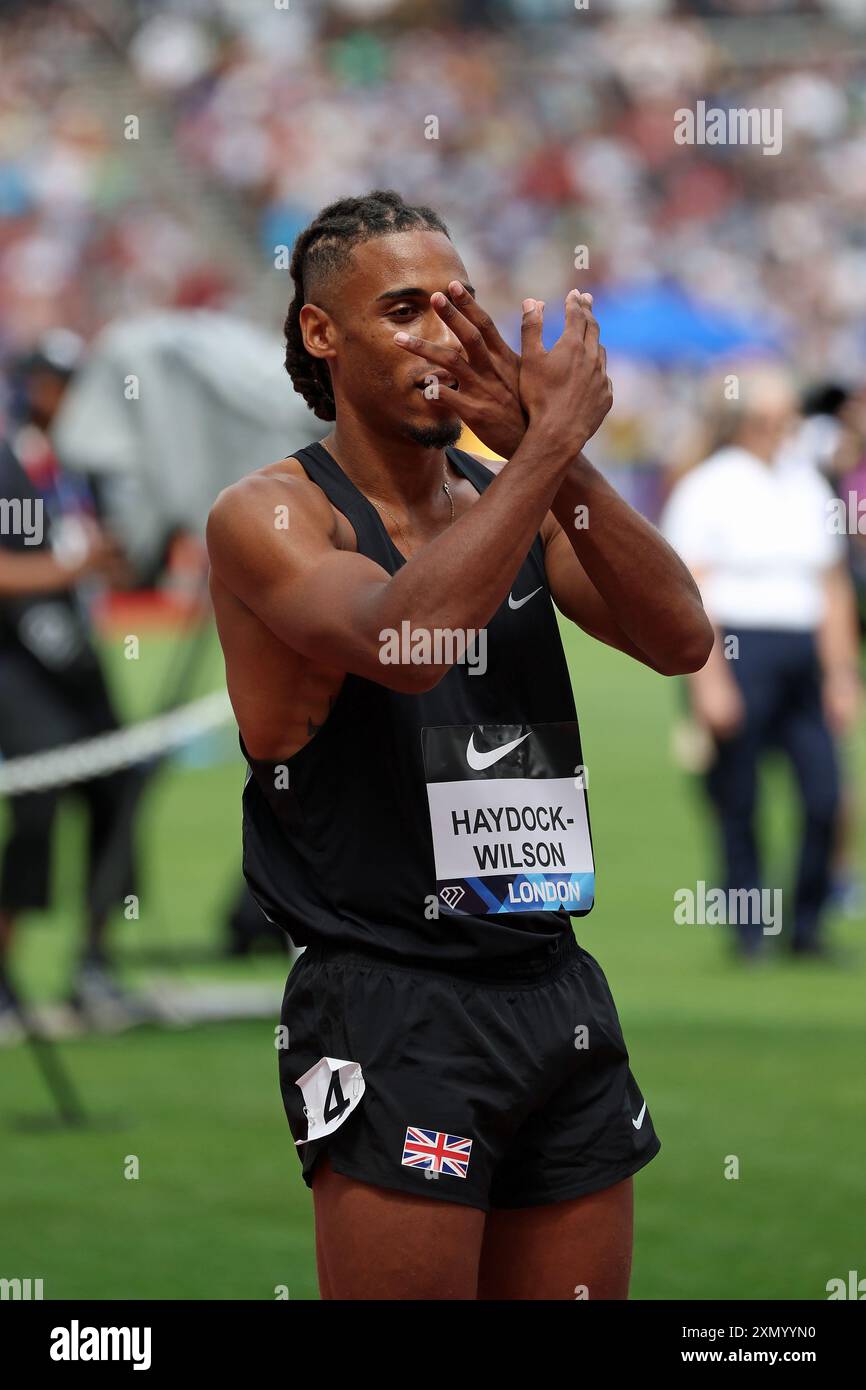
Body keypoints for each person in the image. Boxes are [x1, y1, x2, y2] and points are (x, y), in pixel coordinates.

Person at [206, 190, 712, 1301]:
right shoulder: (275, 514)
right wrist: (541, 453)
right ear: (320, 333)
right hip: (389, 995)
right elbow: (404, 642)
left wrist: (551, 456)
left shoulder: (520, 497)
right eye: (402, 310)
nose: (442, 336)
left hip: (549, 976)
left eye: (458, 305)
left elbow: (680, 638)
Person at [661, 366, 862, 961]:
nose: (786, 429)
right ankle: (749, 932)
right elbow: (691, 591)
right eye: (775, 418)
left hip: (803, 651)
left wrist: (843, 674)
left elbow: (832, 587)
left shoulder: (807, 484)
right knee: (739, 798)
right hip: (736, 648)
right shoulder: (709, 487)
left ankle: (807, 925)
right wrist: (710, 682)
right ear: (747, 421)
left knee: (826, 794)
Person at [0, 336, 141, 1036]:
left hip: (78, 658)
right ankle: (4, 975)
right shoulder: (7, 459)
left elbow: (118, 555)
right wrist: (72, 566)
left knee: (119, 788)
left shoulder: (89, 465)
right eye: (52, 381)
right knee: (34, 809)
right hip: (16, 667)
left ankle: (93, 964)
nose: (64, 395)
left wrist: (117, 560)